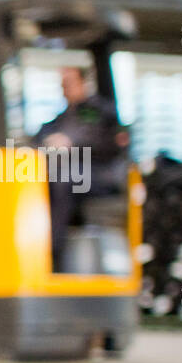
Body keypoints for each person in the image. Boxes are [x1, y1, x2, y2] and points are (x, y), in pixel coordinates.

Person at [35, 66, 130, 271]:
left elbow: (95, 137)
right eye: (62, 85)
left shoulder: (96, 110)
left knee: (63, 180)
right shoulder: (63, 116)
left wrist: (70, 142)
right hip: (73, 173)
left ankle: (53, 254)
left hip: (100, 175)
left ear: (83, 83)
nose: (64, 89)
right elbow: (42, 135)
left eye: (68, 84)